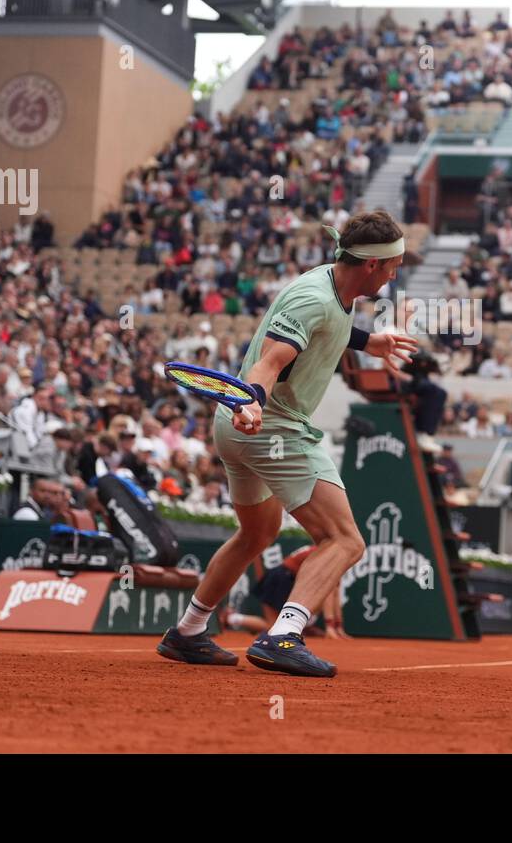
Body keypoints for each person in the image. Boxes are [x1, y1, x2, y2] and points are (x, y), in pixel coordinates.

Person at [157, 212, 417, 678]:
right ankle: (283, 635)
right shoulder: (314, 297)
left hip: (236, 427)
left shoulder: (333, 284)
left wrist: (369, 341)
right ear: (373, 266)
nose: (397, 272)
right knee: (344, 540)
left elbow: (329, 328)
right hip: (268, 426)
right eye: (394, 264)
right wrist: (253, 401)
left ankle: (189, 631)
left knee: (258, 534)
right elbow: (271, 361)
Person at [221, 545, 350, 640]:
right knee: (272, 626)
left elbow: (335, 593)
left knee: (275, 625)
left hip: (285, 578)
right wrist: (330, 627)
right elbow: (327, 593)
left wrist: (338, 627)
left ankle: (231, 618)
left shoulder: (329, 554)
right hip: (280, 577)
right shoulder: (326, 556)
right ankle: (231, 618)